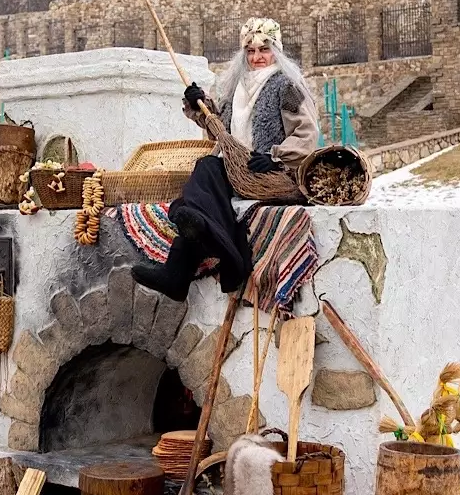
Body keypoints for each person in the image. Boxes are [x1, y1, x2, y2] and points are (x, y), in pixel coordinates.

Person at [131, 17, 320, 301]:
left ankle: (179, 272)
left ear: (276, 51)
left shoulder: (286, 86)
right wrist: (200, 105)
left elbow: (306, 133)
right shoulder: (236, 87)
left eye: (264, 50)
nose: (257, 57)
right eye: (250, 51)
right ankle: (198, 270)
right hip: (237, 170)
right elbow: (218, 130)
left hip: (268, 173)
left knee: (200, 189)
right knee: (202, 184)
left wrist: (275, 157)